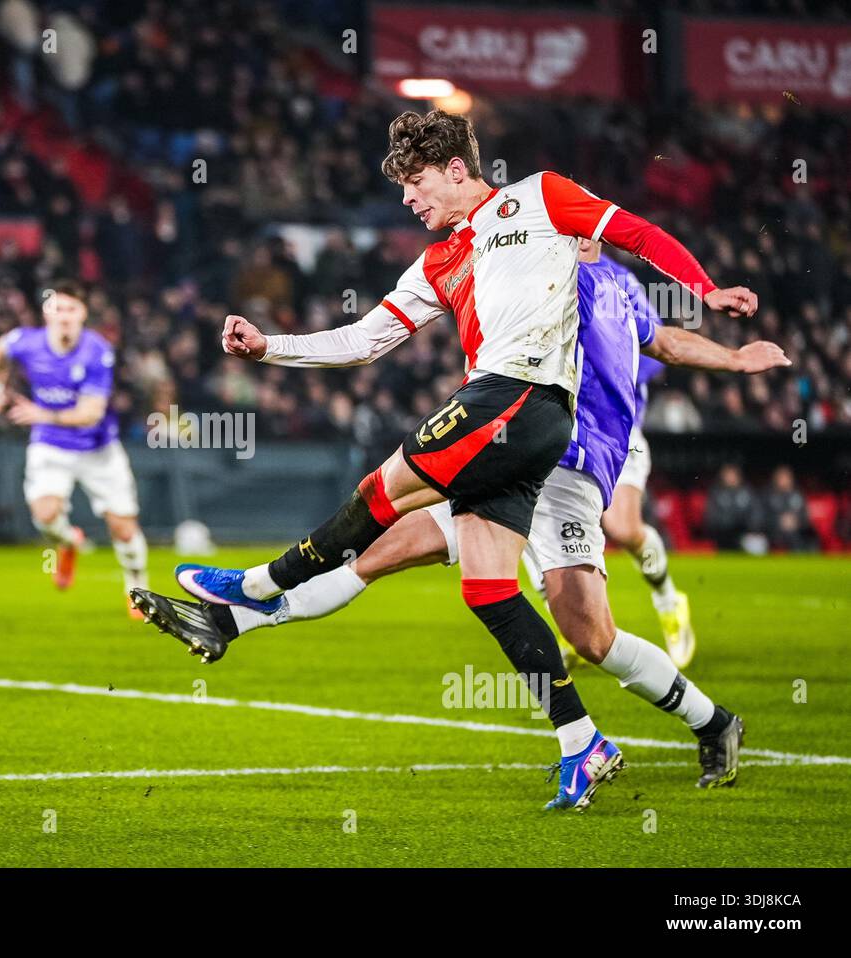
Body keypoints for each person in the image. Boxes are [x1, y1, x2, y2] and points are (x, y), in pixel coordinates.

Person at [168, 109, 757, 810]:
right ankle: (599, 741)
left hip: (520, 400)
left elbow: (632, 230)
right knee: (506, 595)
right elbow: (364, 340)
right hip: (520, 429)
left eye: (416, 183)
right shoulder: (437, 261)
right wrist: (271, 347)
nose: (409, 201)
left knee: (384, 492)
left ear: (456, 169)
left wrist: (706, 289)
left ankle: (258, 587)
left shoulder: (538, 198)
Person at [0, 280, 149, 617]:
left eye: (71, 310)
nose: (64, 317)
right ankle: (68, 542)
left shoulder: (97, 350)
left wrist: (40, 413)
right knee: (44, 517)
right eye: (58, 309)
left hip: (97, 449)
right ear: (47, 314)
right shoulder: (27, 342)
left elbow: (91, 413)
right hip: (51, 446)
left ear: (83, 314)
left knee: (123, 528)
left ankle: (137, 586)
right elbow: (0, 348)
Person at [597, 261, 696, 667]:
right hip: (558, 432)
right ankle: (572, 625)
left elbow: (655, 351)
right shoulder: (544, 265)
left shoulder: (620, 283)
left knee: (621, 527)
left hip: (618, 433)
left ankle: (668, 599)